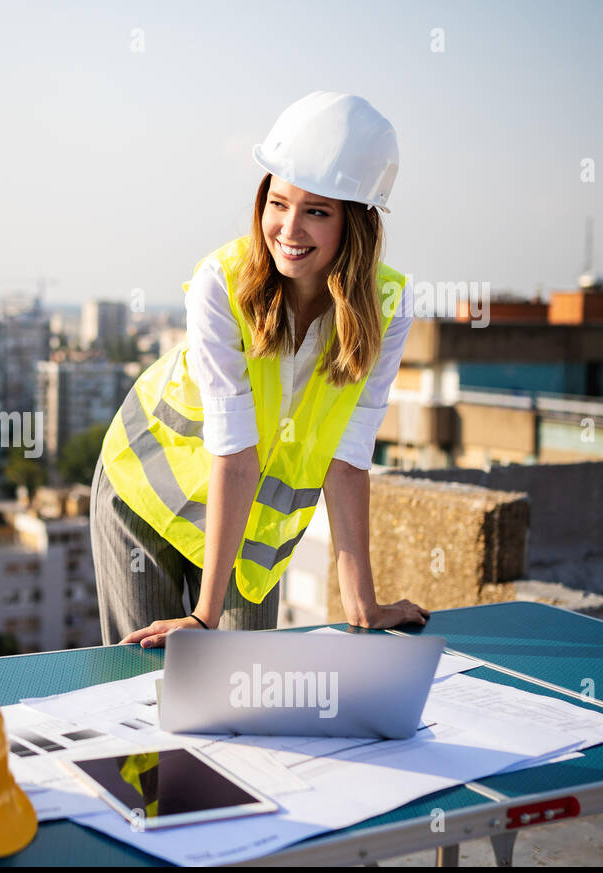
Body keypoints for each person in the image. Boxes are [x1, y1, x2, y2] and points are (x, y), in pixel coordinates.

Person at [89, 91, 430, 649]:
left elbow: (348, 458)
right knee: (147, 683)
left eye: (316, 211)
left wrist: (361, 605)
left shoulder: (388, 305)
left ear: (357, 224)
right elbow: (236, 453)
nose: (289, 229)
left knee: (246, 690)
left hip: (245, 525)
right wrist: (204, 617)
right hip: (147, 496)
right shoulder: (221, 282)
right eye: (278, 202)